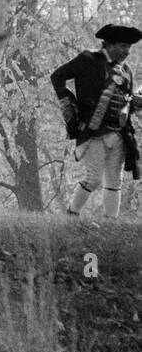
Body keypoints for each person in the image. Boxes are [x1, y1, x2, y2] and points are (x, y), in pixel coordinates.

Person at [51, 23, 142, 218]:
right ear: (109, 44)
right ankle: (72, 215)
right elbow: (57, 76)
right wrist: (68, 105)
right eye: (123, 46)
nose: (127, 52)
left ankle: (111, 223)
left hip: (119, 132)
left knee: (114, 180)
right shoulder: (88, 59)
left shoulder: (125, 70)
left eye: (129, 47)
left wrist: (137, 102)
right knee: (93, 179)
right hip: (93, 130)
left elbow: (125, 105)